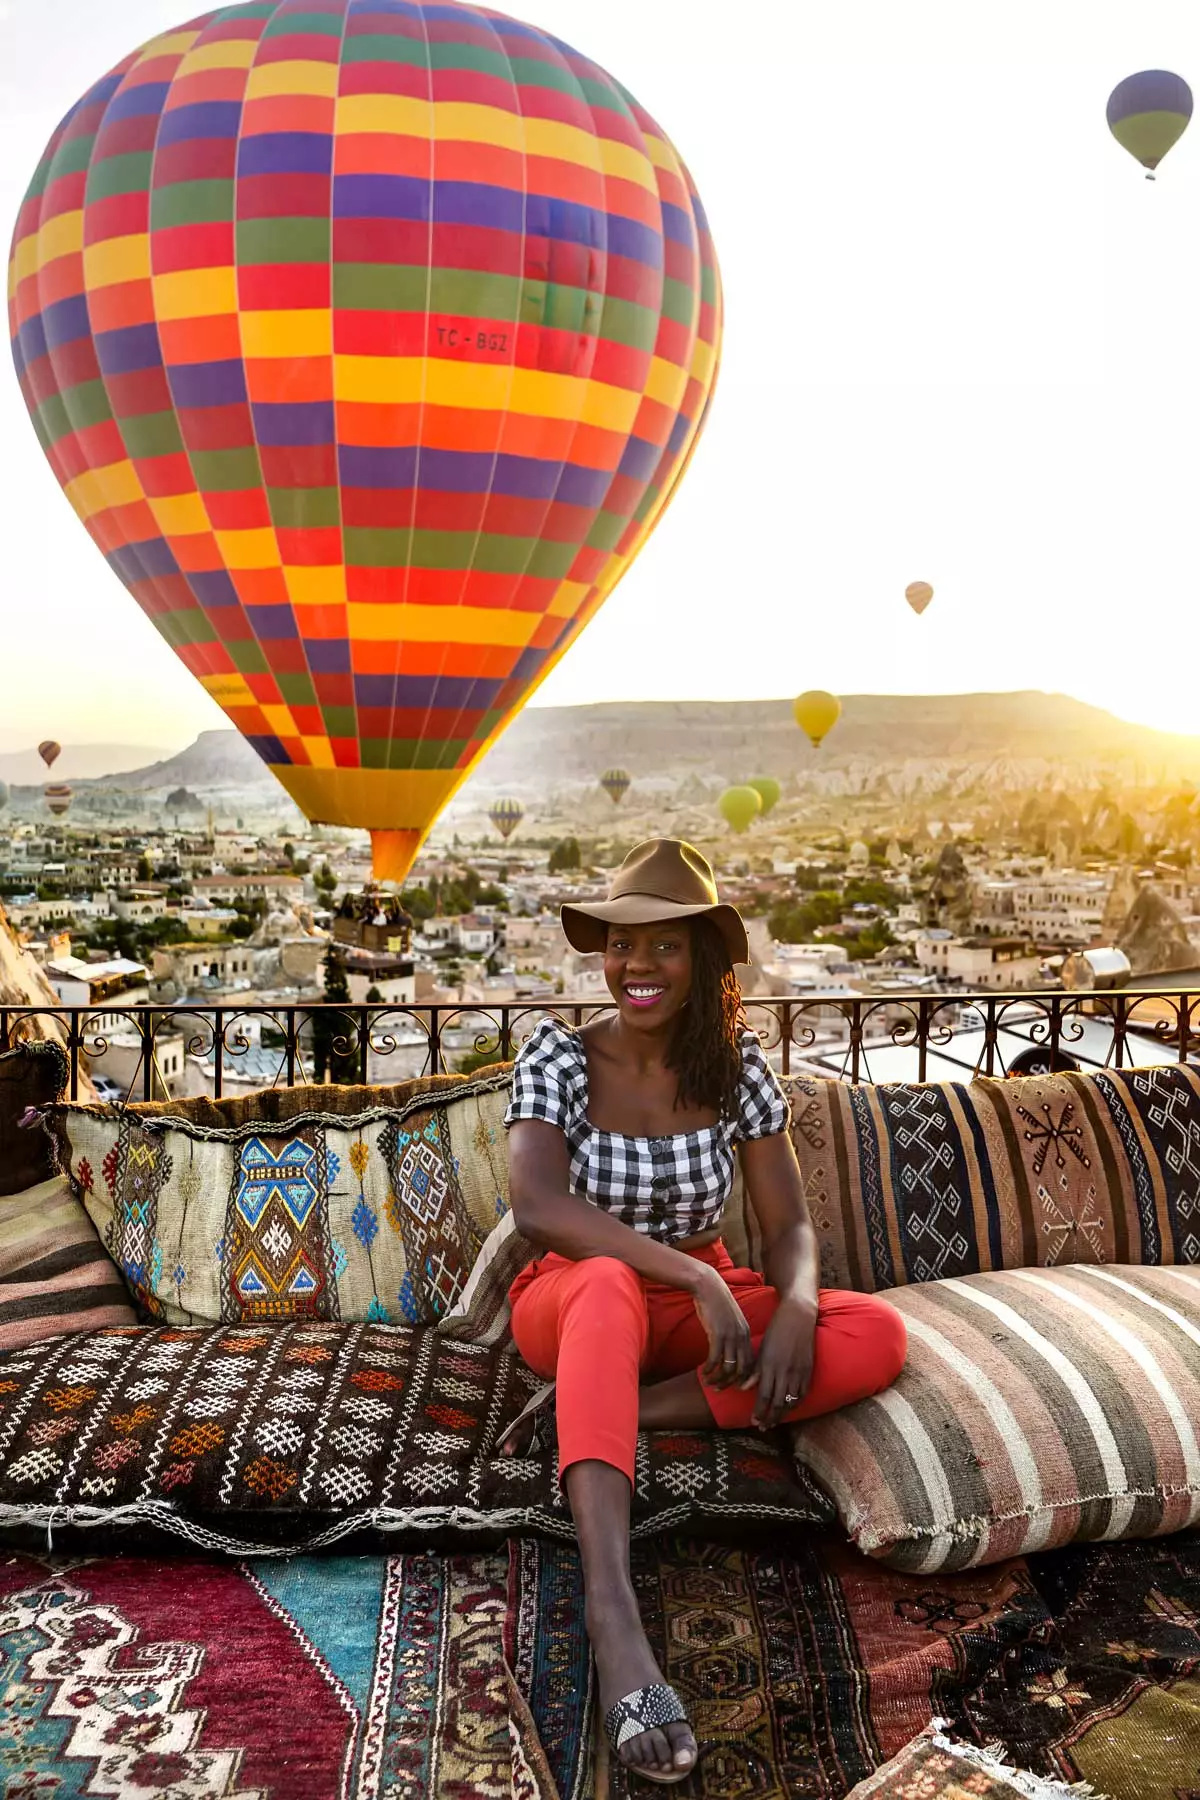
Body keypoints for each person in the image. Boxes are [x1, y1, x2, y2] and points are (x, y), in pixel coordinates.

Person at [501, 839, 908, 1785]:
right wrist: (698, 1280)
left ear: (704, 960)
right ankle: (614, 1614)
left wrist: (798, 1302)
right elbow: (540, 1208)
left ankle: (607, 1410)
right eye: (618, 944)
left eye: (665, 946)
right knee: (605, 1283)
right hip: (567, 1299)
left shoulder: (735, 1070)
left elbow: (789, 1224)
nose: (636, 966)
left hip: (694, 1314)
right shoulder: (557, 1055)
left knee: (875, 1333)